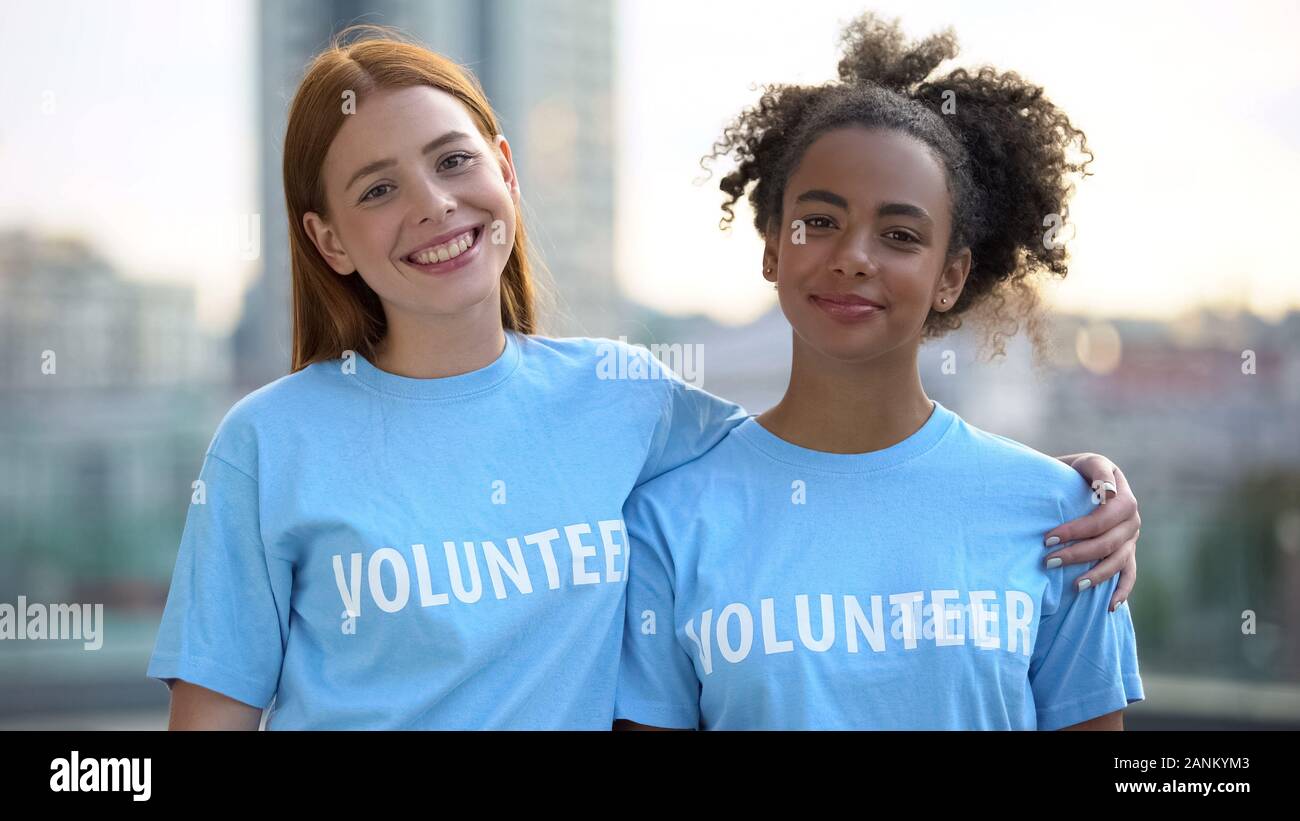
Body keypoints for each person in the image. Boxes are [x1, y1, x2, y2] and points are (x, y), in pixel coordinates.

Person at [148, 24, 1140, 730]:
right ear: (328, 239)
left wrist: (1077, 486)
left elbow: (832, 441)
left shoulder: (624, 396)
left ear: (505, 170)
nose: (434, 205)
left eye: (452, 162)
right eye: (377, 189)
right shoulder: (269, 442)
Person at [614, 13, 1143, 730]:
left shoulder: (1066, 521)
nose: (853, 257)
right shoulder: (667, 522)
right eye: (819, 222)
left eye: (899, 234)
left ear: (951, 276)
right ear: (772, 247)